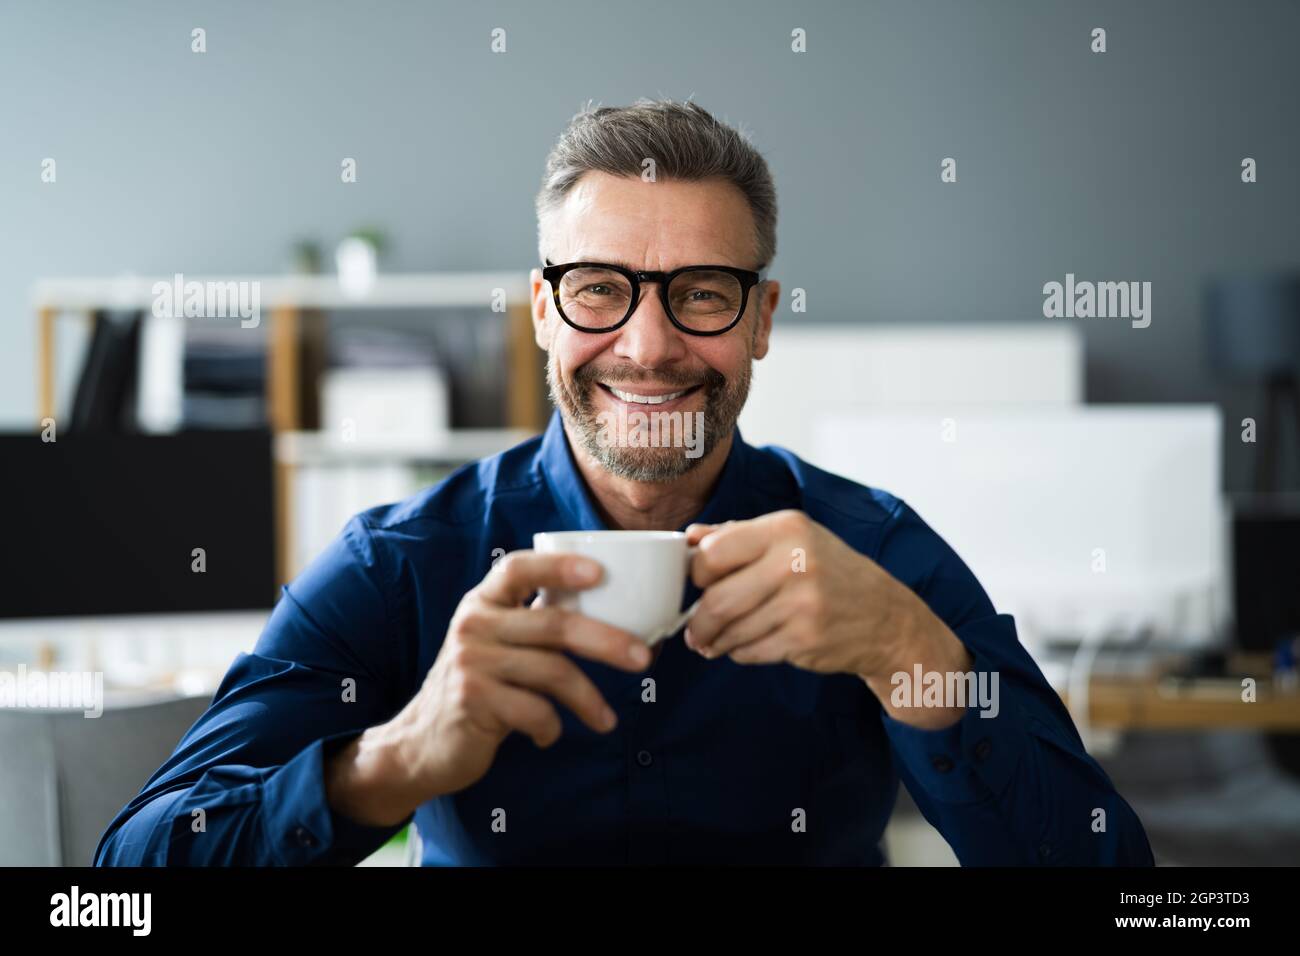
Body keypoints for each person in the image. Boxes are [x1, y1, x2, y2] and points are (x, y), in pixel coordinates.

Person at [96, 99, 1153, 866]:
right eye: (599, 289)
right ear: (544, 312)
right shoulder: (402, 562)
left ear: (763, 318)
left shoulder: (871, 551)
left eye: (702, 292)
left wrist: (913, 656)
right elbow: (119, 887)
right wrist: (397, 758)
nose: (648, 346)